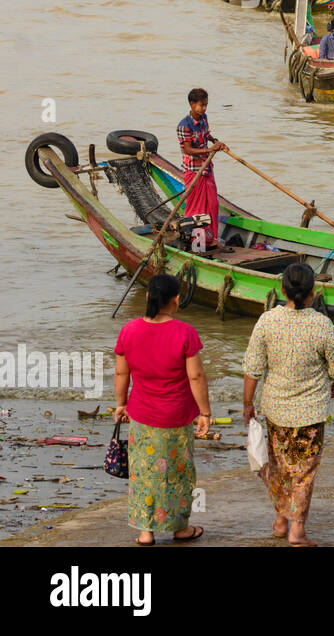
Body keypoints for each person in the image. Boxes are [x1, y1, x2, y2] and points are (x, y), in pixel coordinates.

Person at [242, 263, 334, 547]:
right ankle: (297, 529)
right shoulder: (322, 324)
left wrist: (247, 404)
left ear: (282, 290)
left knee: (279, 466)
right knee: (302, 471)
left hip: (275, 409)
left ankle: (280, 520)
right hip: (309, 414)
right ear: (313, 292)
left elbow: (252, 368)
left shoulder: (267, 321)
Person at [112, 273, 211, 545]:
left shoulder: (129, 330)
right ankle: (180, 528)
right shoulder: (185, 332)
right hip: (176, 416)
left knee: (144, 472)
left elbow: (122, 373)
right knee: (177, 472)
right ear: (176, 300)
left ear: (147, 297)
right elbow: (196, 377)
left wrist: (121, 404)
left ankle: (146, 532)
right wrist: (205, 412)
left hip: (142, 415)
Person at [177, 88, 226, 250]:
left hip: (207, 168)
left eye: (205, 105)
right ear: (192, 104)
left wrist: (215, 141)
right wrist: (209, 150)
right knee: (196, 207)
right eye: (201, 105)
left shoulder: (204, 118)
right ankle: (196, 242)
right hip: (194, 170)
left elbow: (207, 135)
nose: (204, 108)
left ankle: (211, 239)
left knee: (213, 204)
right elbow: (188, 150)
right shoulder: (184, 126)